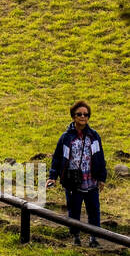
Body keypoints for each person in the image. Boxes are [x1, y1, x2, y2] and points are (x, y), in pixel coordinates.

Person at [46, 100, 107, 247]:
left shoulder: (94, 136)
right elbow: (58, 158)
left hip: (91, 180)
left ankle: (94, 238)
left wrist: (102, 177)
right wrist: (52, 177)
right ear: (73, 116)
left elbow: (100, 156)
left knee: (94, 209)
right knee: (74, 209)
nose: (83, 117)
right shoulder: (66, 137)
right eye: (79, 114)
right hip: (73, 180)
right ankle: (76, 237)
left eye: (86, 114)